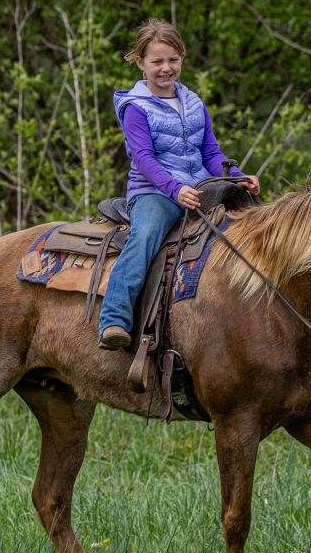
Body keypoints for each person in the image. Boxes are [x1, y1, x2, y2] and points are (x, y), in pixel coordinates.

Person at [98, 19, 260, 350]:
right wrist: (174, 190)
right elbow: (144, 158)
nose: (165, 68)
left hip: (202, 188)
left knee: (252, 226)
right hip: (155, 193)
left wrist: (238, 177)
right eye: (157, 61)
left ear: (182, 58)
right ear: (140, 62)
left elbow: (211, 152)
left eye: (172, 60)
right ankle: (113, 318)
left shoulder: (193, 102)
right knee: (144, 238)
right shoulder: (135, 108)